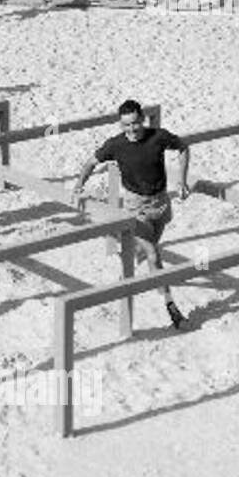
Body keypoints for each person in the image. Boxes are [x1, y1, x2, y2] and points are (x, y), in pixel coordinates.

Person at [72, 99, 189, 329]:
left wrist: (182, 181)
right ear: (120, 124)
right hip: (136, 207)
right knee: (154, 255)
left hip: (161, 202)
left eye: (135, 123)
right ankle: (171, 306)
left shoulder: (158, 137)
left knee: (145, 252)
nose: (131, 129)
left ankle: (127, 266)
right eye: (126, 125)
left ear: (142, 120)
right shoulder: (115, 145)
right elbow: (90, 162)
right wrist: (78, 185)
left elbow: (183, 147)